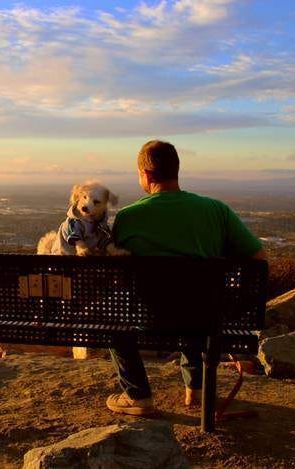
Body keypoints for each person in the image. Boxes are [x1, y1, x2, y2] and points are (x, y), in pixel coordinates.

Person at [105, 140, 266, 416]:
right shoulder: (217, 211)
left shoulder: (128, 217)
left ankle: (138, 395)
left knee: (113, 317)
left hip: (148, 320)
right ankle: (198, 389)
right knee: (196, 303)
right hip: (205, 318)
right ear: (176, 170)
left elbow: (114, 272)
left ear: (146, 174)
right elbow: (259, 260)